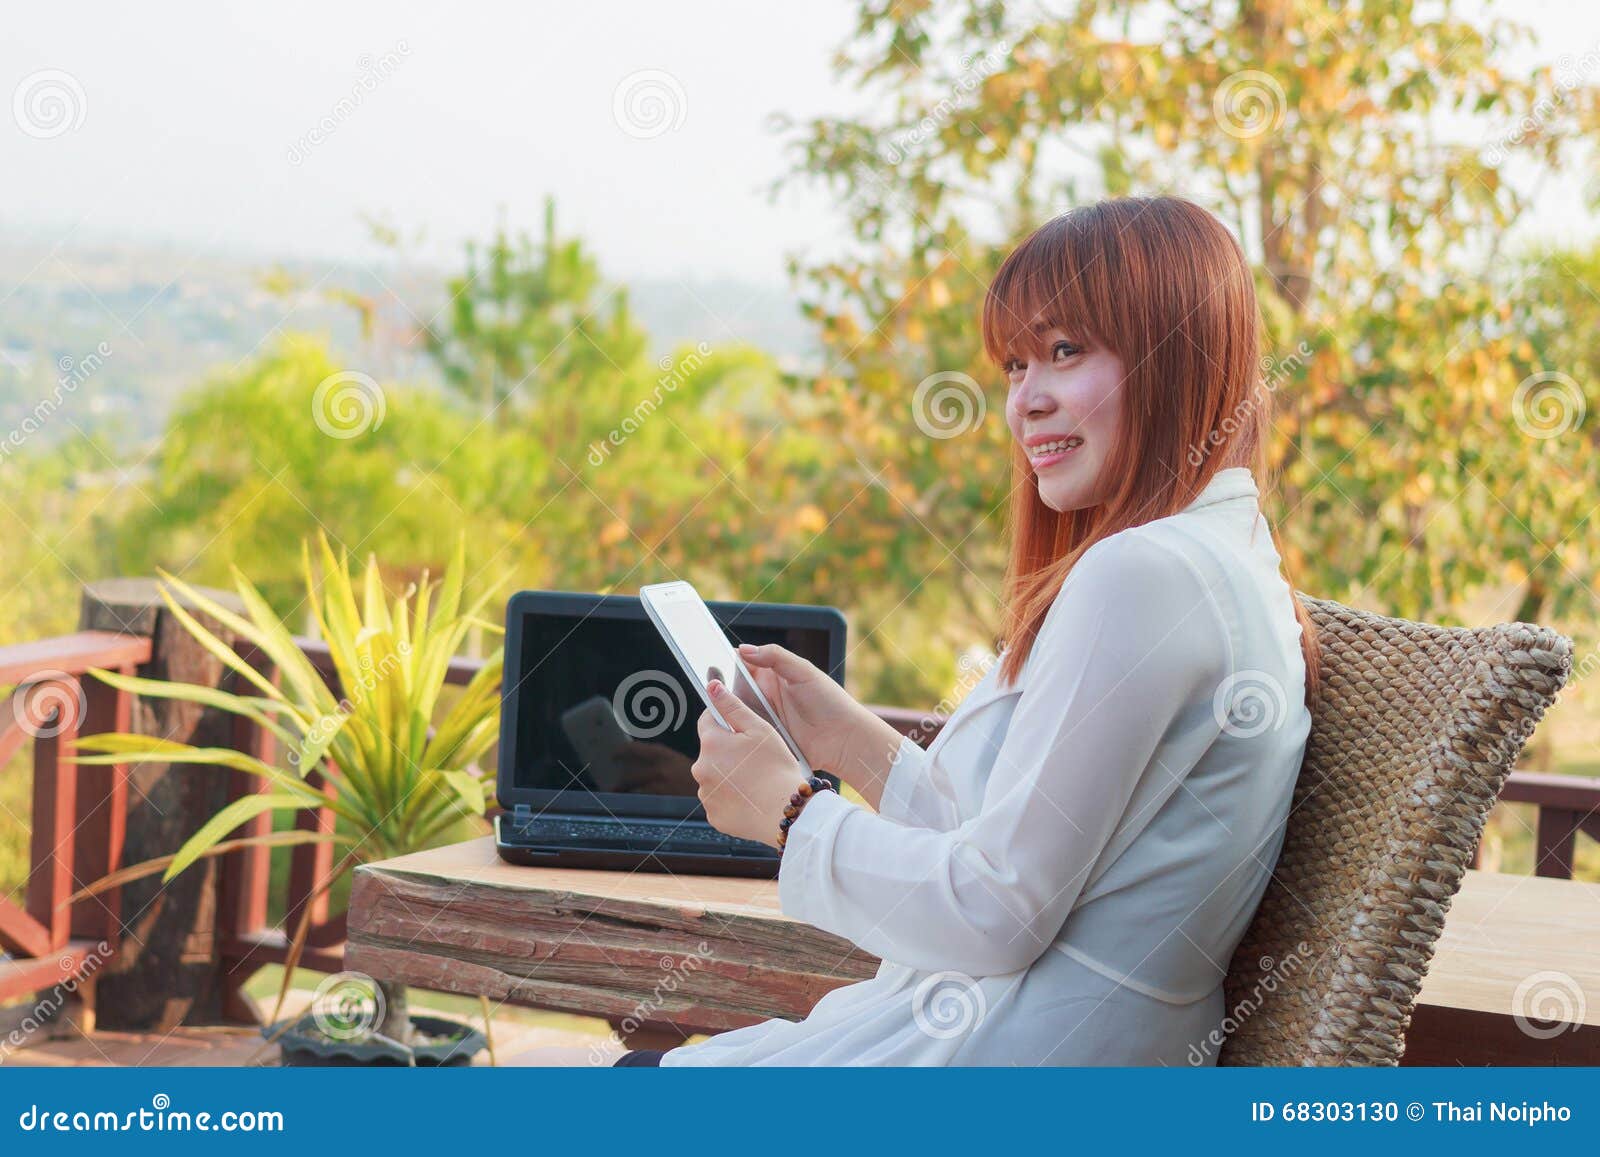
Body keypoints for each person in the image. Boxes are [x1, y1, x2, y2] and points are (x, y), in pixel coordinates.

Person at [521, 194, 1318, 1067]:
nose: (1028, 403)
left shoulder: (1145, 574)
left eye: (1065, 351)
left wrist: (792, 812)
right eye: (1015, 365)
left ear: (1182, 357)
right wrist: (853, 741)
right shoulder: (1226, 560)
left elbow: (997, 911)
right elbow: (1028, 843)